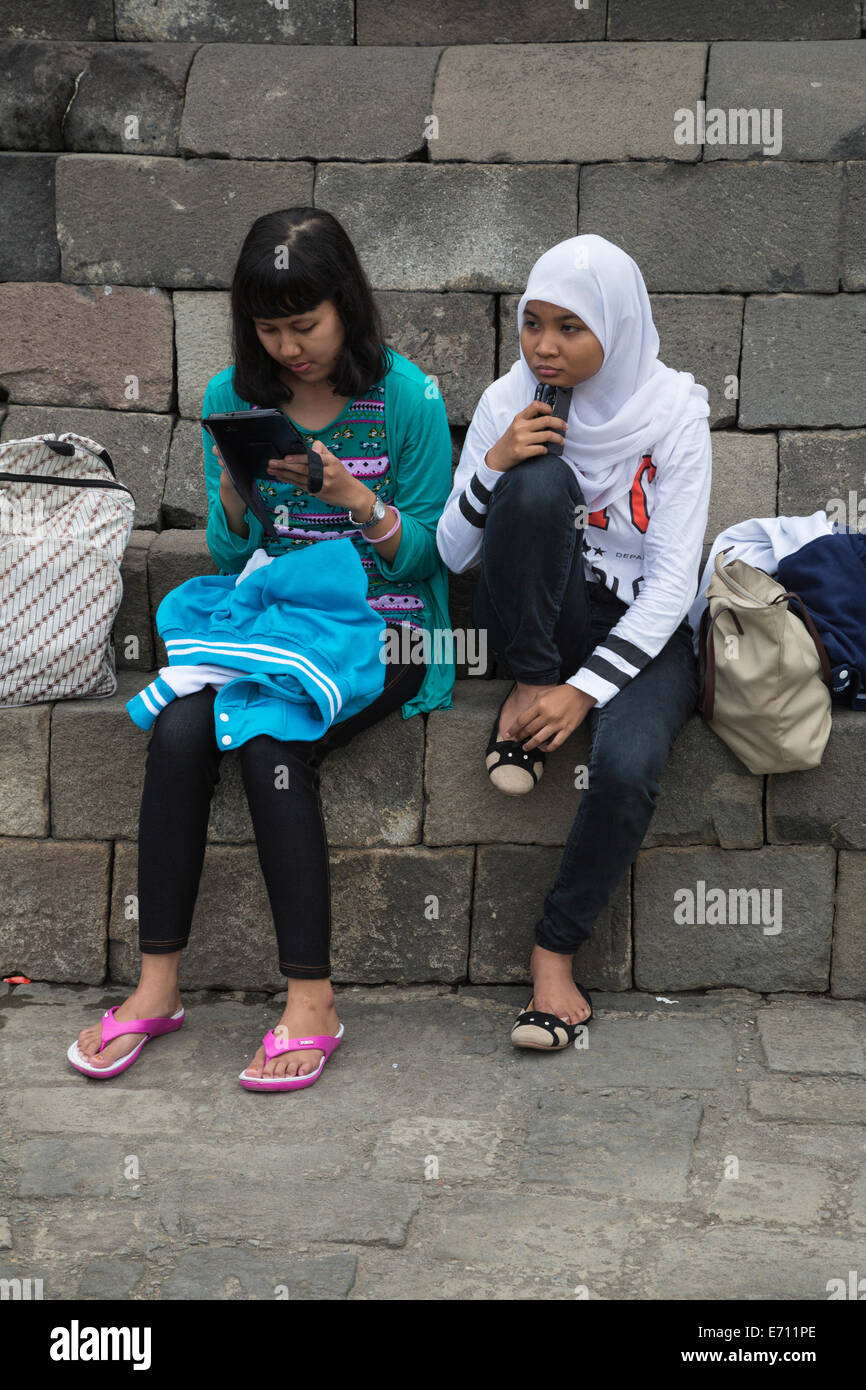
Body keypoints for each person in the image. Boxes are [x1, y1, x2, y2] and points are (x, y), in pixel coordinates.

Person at [68, 207, 454, 1090]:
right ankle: (157, 986)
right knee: (177, 731)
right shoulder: (228, 398)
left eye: (304, 324)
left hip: (380, 621)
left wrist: (355, 496)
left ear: (346, 307)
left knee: (272, 743)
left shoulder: (408, 397)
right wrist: (239, 501)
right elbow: (234, 554)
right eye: (269, 329)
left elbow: (431, 552)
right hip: (275, 618)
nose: (289, 348)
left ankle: (311, 1000)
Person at [436, 234, 712, 1052]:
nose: (544, 347)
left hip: (644, 626)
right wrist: (492, 463)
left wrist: (585, 690)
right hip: (538, 617)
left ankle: (554, 955)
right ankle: (523, 692)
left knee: (626, 767)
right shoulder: (510, 399)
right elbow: (452, 554)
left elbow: (670, 584)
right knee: (535, 481)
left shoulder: (674, 414)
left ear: (616, 329)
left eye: (569, 328)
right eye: (531, 324)